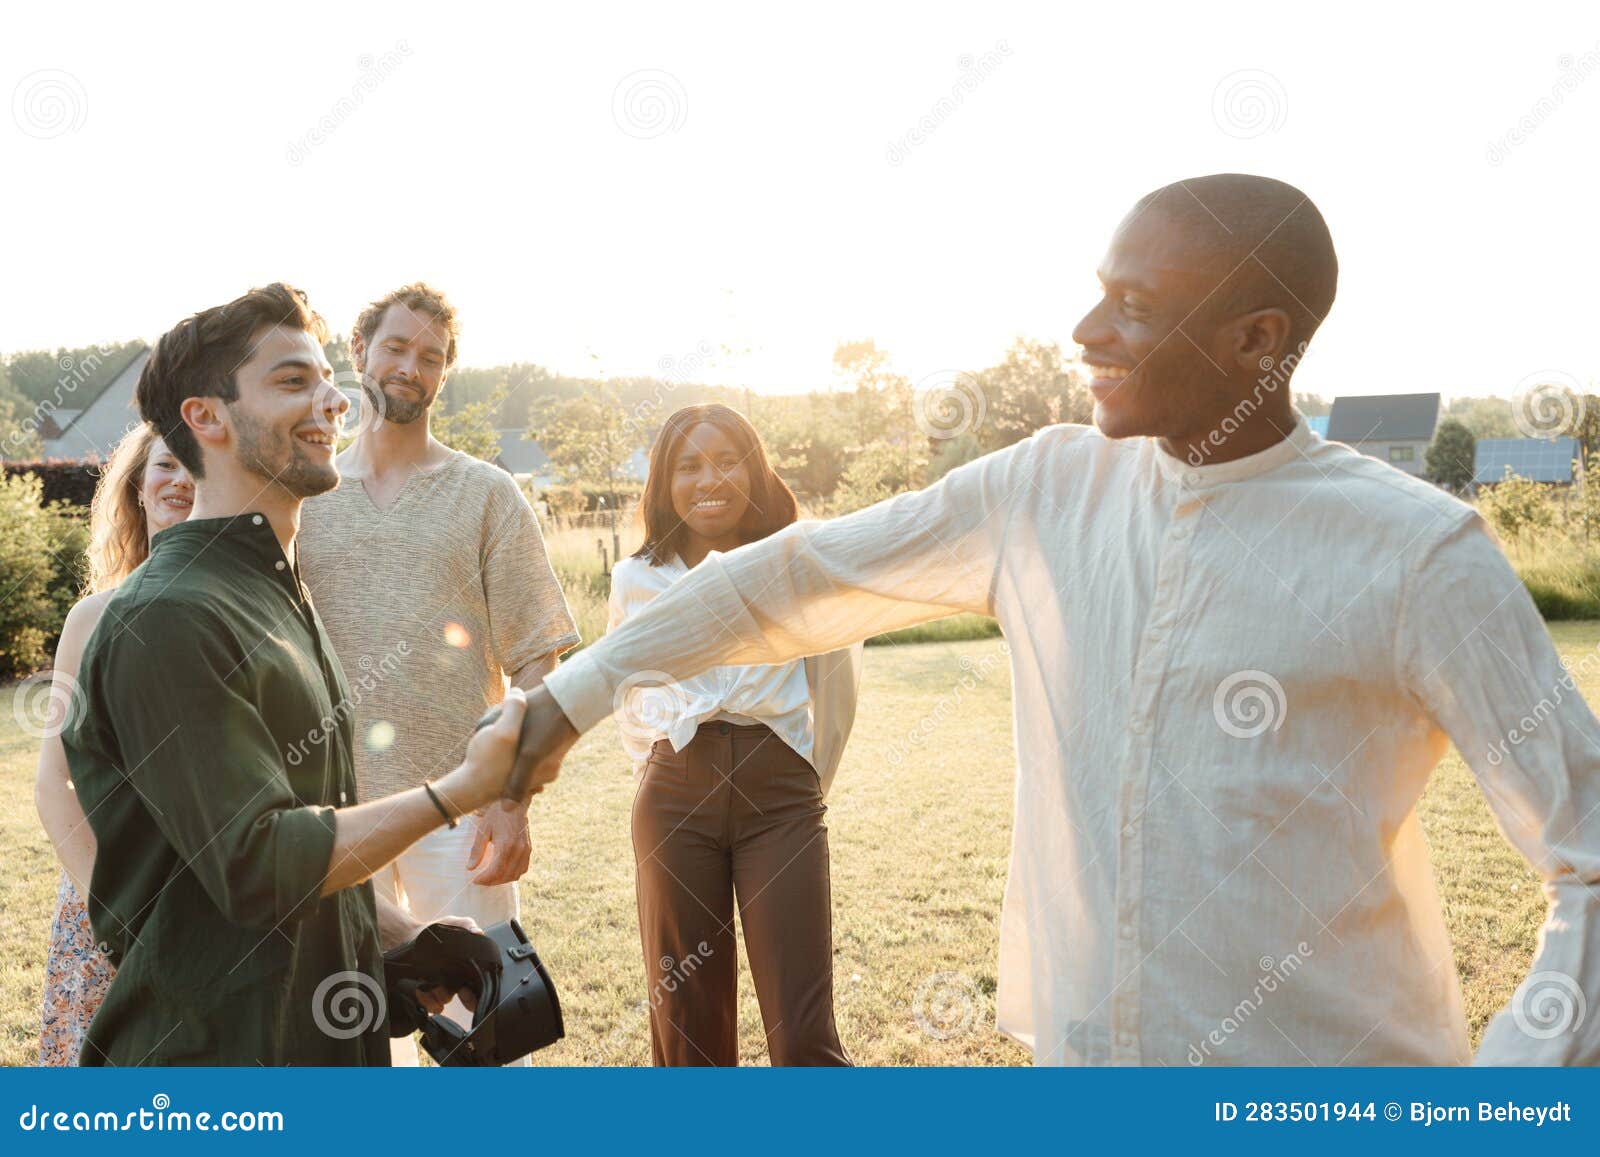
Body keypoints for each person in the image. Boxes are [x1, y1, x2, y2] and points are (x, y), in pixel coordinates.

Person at [499, 173, 1600, 1066]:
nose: (1083, 330)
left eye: (1133, 305)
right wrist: (578, 691)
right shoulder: (1040, 490)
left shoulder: (1418, 549)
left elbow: (1587, 854)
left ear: (1257, 340)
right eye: (1096, 291)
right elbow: (796, 575)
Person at [61, 282, 528, 1065]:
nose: (333, 401)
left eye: (323, 379)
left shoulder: (278, 591)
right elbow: (256, 862)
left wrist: (408, 939)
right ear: (205, 417)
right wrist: (460, 790)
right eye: (291, 382)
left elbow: (305, 838)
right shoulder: (168, 616)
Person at [299, 283, 579, 1065]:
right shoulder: (306, 495)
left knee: (480, 1025)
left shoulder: (486, 492)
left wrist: (512, 798)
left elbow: (535, 660)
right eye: (395, 347)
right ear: (358, 354)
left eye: (431, 356)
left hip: (461, 804)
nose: (409, 367)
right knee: (351, 1029)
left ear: (445, 375)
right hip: (334, 810)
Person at [613, 404, 859, 1066]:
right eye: (689, 465)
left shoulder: (797, 563)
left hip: (780, 798)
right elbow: (626, 693)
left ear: (753, 470)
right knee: (687, 1023)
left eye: (727, 461)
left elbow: (836, 687)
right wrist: (661, 767)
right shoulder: (637, 578)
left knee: (803, 1025)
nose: (709, 478)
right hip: (673, 797)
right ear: (664, 480)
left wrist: (804, 780)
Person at [34, 425, 192, 1065]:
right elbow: (52, 783)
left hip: (215, 902)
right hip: (105, 899)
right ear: (137, 487)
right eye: (167, 465)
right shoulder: (91, 620)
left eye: (197, 468)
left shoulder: (258, 615)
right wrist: (115, 914)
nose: (181, 480)